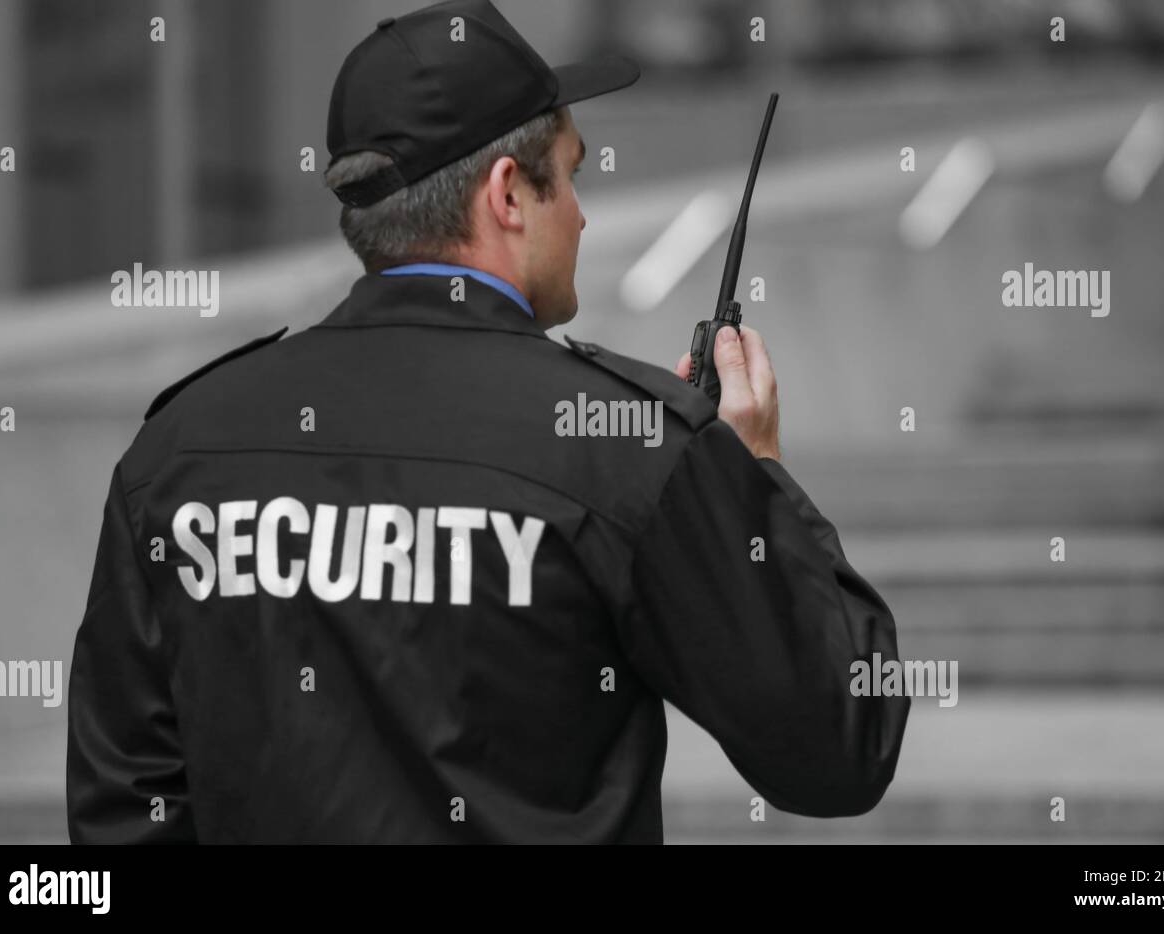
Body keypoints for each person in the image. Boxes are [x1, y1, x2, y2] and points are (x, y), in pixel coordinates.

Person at [66, 0, 909, 844]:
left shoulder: (180, 449)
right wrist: (756, 477)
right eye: (571, 175)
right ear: (508, 194)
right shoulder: (624, 448)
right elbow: (839, 745)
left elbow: (122, 813)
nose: (580, 215)